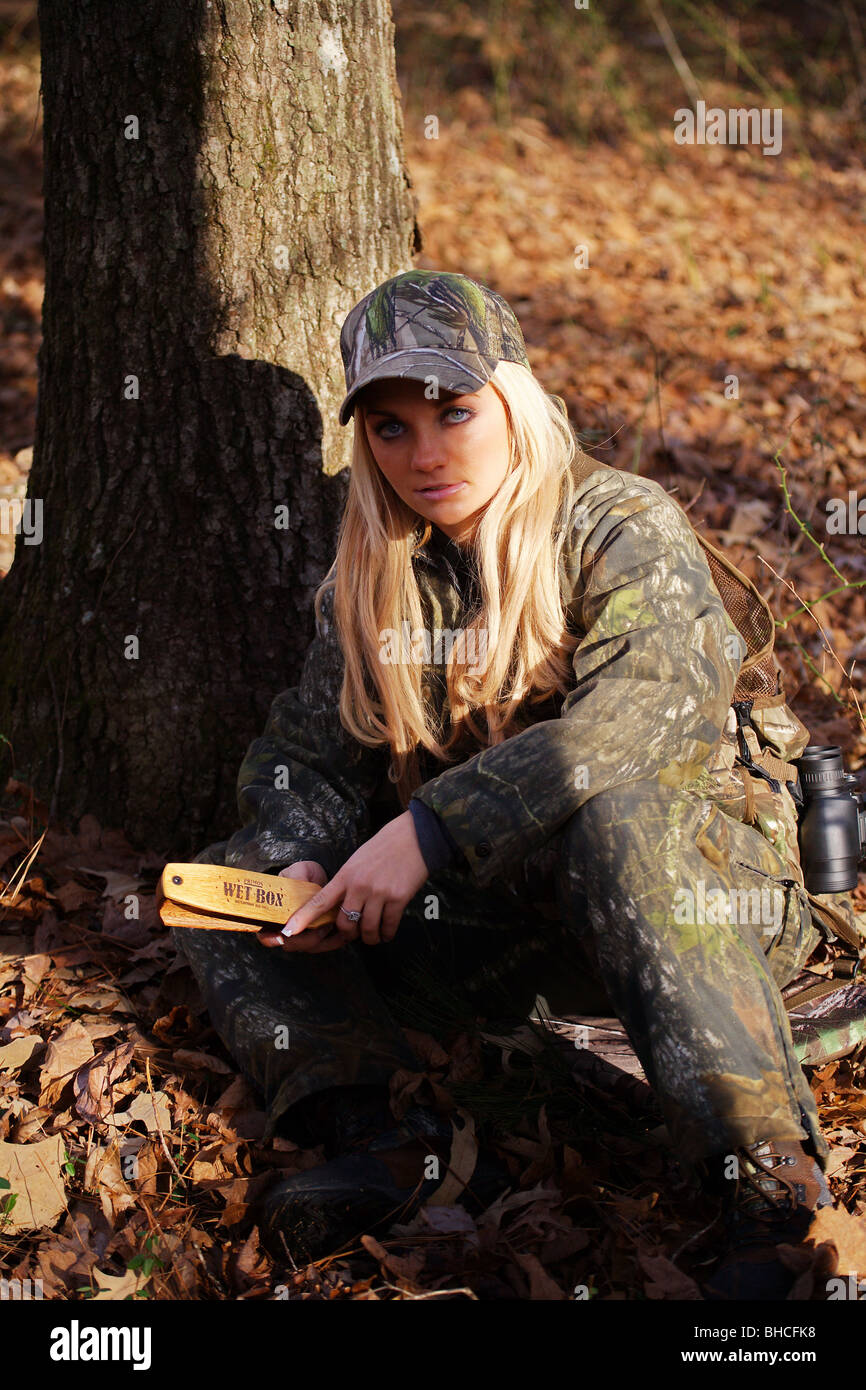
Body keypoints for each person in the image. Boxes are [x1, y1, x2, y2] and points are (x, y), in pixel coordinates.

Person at [173, 269, 846, 1298]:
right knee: (219, 886)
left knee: (612, 815)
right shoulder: (376, 569)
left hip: (703, 895)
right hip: (516, 922)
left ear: (514, 399)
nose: (425, 451)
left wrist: (429, 829)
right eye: (391, 429)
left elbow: (630, 720)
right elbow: (298, 757)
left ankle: (762, 1201)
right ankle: (383, 1136)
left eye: (453, 410)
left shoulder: (620, 523)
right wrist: (294, 854)